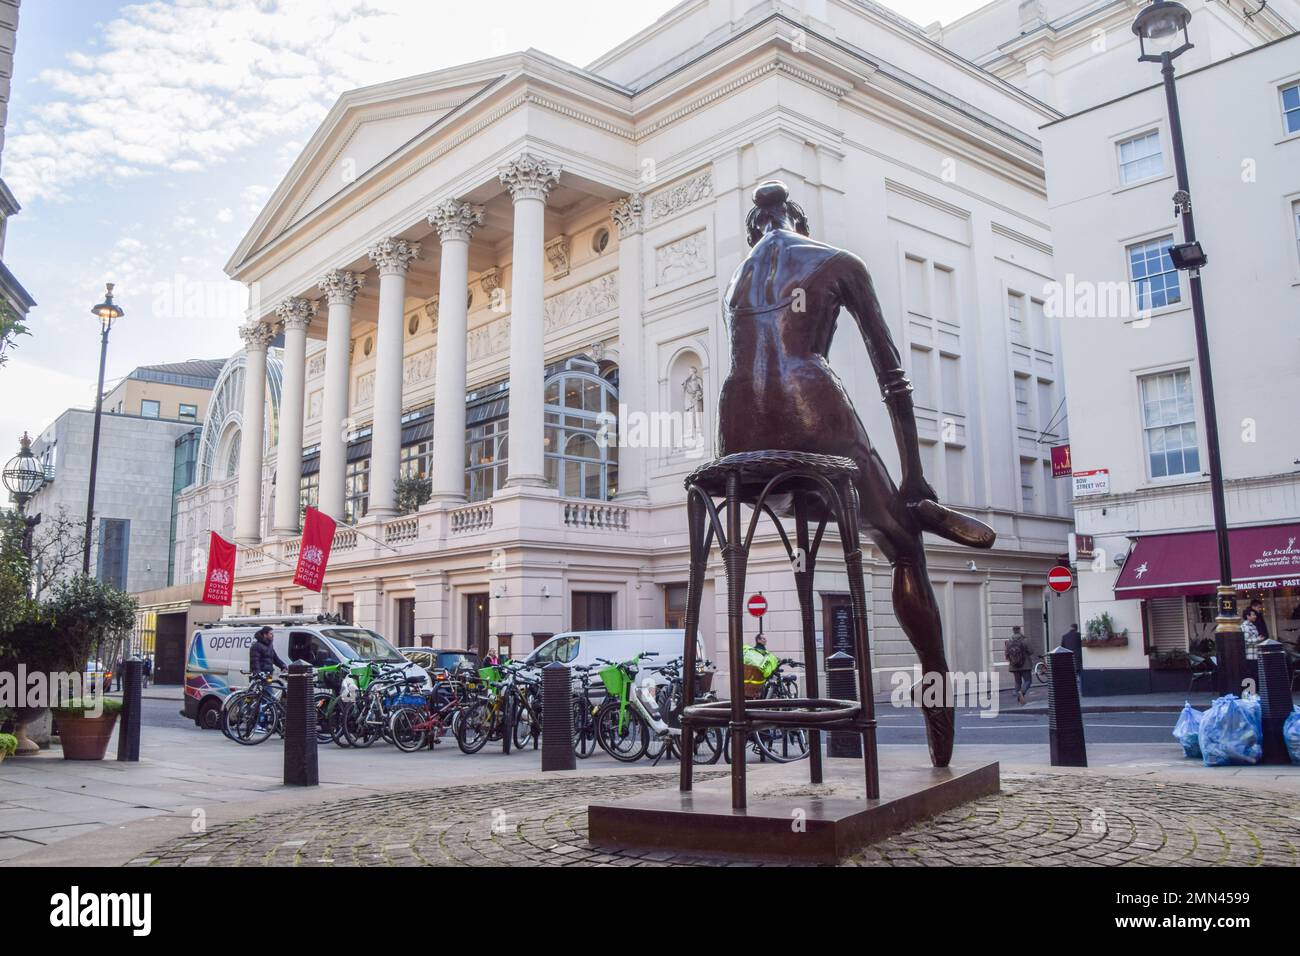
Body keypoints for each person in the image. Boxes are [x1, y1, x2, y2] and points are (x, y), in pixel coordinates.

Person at [717, 181, 995, 767]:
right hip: (811, 413)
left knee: (832, 501)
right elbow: (894, 376)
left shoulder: (735, 281)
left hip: (738, 428)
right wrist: (914, 477)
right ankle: (939, 722)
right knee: (902, 545)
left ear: (754, 227)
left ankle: (890, 511)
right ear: (798, 218)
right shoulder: (835, 262)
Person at [1004, 627, 1033, 705]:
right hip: (1025, 665)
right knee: (1028, 681)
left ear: (1013, 631)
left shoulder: (1009, 641)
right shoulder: (1025, 640)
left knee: (1017, 682)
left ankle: (1019, 700)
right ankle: (1022, 693)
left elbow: (1006, 654)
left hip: (1014, 665)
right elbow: (1031, 651)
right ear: (1020, 631)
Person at [1060, 622, 1083, 697]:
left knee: (1071, 677)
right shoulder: (1079, 635)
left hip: (1069, 659)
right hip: (1078, 659)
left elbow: (1062, 648)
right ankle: (1081, 692)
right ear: (1076, 628)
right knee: (1080, 676)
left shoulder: (1065, 636)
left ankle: (1072, 693)